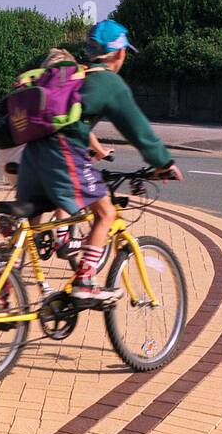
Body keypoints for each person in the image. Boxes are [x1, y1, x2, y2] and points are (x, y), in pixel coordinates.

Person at [15, 19, 182, 304]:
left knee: (30, 220)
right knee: (105, 213)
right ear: (119, 53)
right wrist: (163, 162)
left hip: (33, 151)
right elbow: (138, 130)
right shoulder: (108, 82)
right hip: (63, 151)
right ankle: (85, 281)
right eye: (125, 52)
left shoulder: (77, 74)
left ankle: (3, 282)